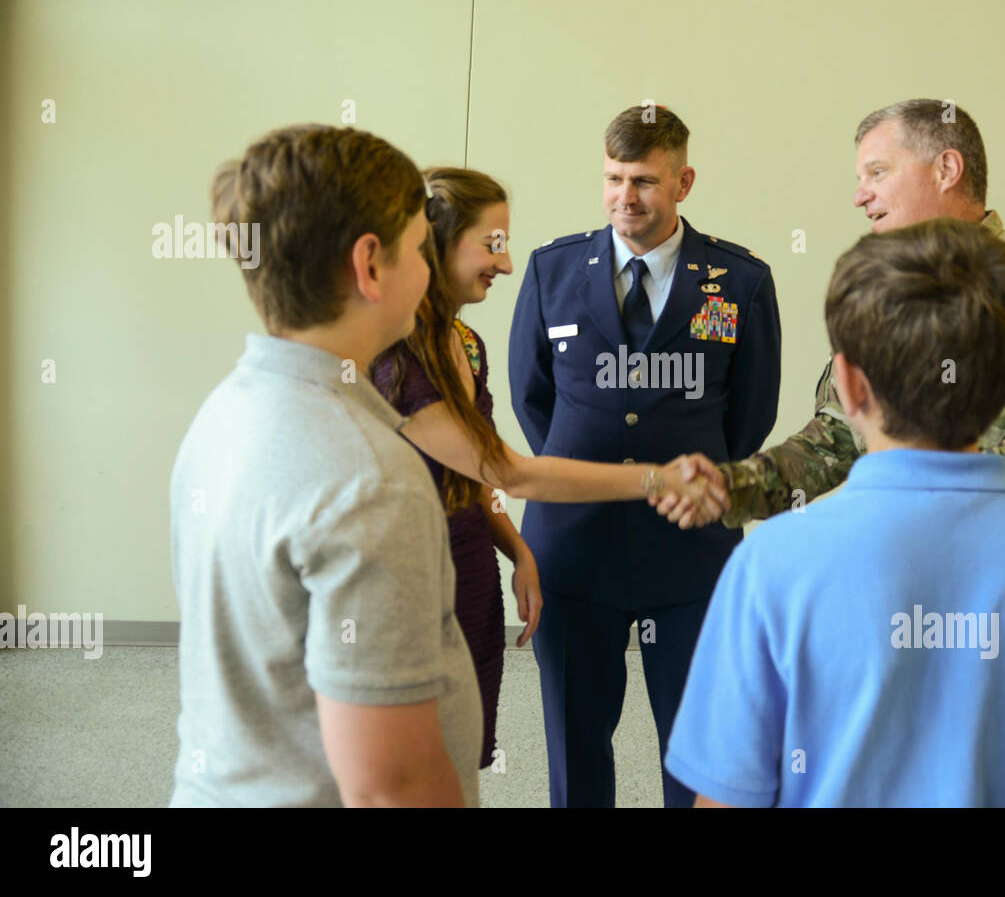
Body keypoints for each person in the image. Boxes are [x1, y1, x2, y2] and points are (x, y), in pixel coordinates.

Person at [665, 218, 1005, 806]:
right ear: (1004, 383)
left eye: (877, 170)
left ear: (848, 383)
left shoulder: (770, 567)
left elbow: (727, 795)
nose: (863, 193)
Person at [653, 98, 1005, 533]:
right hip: (896, 581)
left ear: (946, 169)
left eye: (878, 172)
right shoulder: (877, 288)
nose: (859, 195)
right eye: (860, 179)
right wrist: (733, 486)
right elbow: (835, 440)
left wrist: (955, 484)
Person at [371, 167, 732, 772]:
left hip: (473, 574)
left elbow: (474, 479)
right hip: (409, 581)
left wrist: (515, 547)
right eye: (491, 244)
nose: (507, 262)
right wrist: (659, 479)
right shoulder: (396, 354)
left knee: (458, 760)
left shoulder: (463, 341)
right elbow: (511, 470)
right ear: (436, 239)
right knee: (406, 765)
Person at [169, 125, 481, 806]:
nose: (430, 270)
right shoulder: (369, 479)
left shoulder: (223, 412)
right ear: (371, 265)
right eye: (421, 246)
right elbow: (388, 787)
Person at [508, 104, 782, 807]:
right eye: (613, 178)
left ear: (683, 181)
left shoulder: (740, 281)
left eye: (645, 181)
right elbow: (532, 399)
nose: (625, 198)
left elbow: (749, 418)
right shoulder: (552, 269)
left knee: (696, 751)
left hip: (689, 553)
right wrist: (591, 480)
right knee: (575, 745)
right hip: (572, 549)